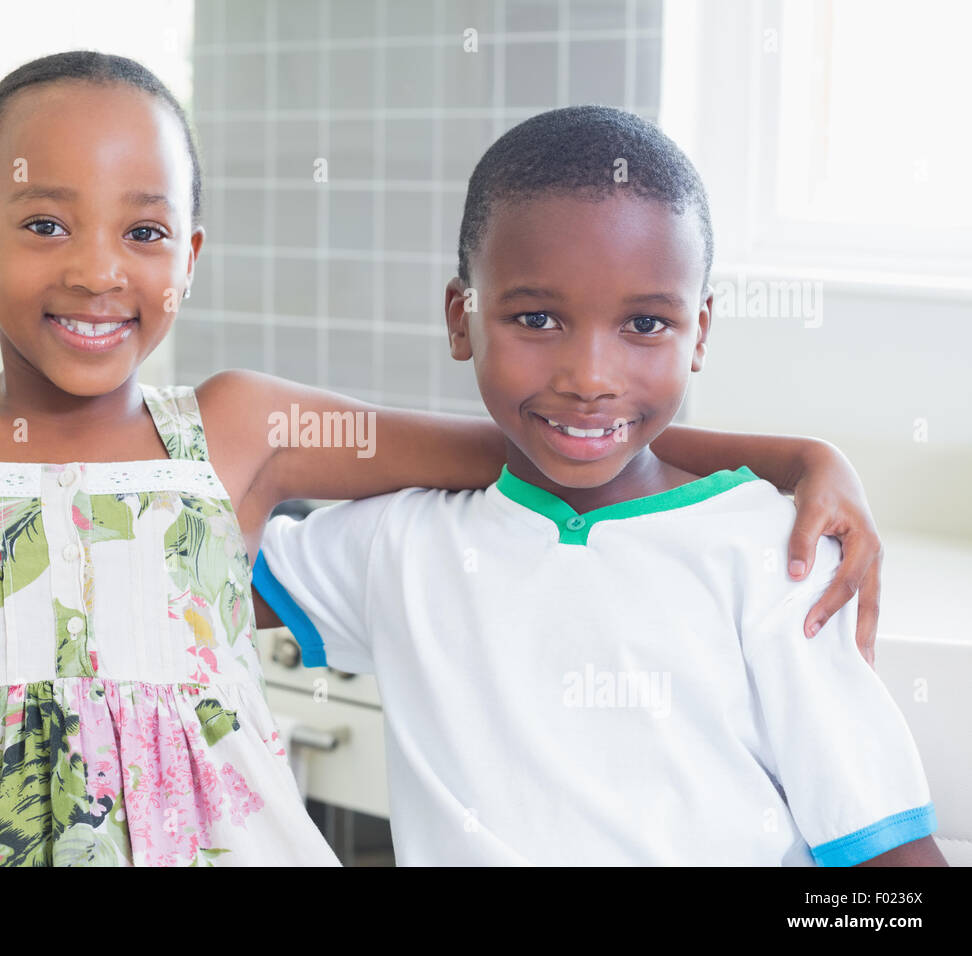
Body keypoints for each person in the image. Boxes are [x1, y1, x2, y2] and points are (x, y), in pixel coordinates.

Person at [0, 52, 879, 866]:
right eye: (46, 223)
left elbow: (543, 438)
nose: (99, 271)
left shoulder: (241, 428)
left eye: (143, 231)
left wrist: (790, 456)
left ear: (188, 258)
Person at [250, 106, 944, 865]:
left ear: (700, 333)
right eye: (538, 317)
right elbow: (163, 562)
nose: (590, 379)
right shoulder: (396, 544)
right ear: (462, 319)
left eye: (645, 325)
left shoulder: (778, 559)